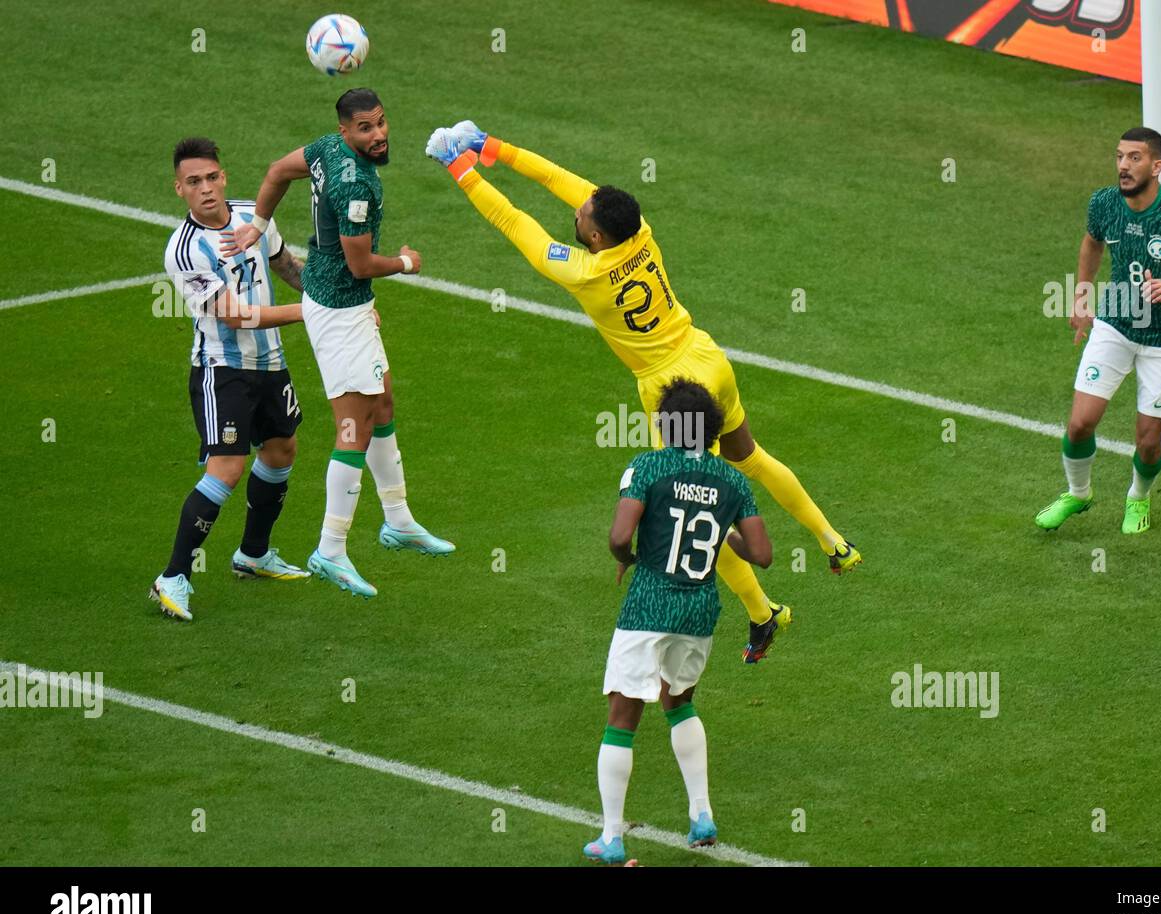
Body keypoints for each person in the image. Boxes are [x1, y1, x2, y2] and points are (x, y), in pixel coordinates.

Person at [427, 121, 860, 651]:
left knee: (692, 503)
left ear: (594, 236)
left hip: (672, 391)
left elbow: (514, 222)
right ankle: (832, 540)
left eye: (584, 216)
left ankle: (762, 610)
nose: (578, 210)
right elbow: (566, 182)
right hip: (707, 356)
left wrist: (460, 169)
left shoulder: (583, 272)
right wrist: (493, 148)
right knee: (752, 458)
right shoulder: (642, 232)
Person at [228, 89, 453, 599]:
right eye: (365, 129)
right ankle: (330, 550)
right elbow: (360, 264)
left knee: (384, 402)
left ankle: (397, 520)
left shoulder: (327, 148)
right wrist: (406, 263)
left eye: (380, 124)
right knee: (353, 427)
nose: (378, 136)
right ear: (347, 131)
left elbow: (276, 170)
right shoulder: (357, 186)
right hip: (340, 309)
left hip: (342, 302)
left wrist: (258, 226)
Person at [585, 379, 773, 864]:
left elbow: (618, 536)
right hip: (699, 608)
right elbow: (763, 554)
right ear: (710, 430)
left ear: (668, 425)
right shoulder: (733, 481)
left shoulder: (648, 465)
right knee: (678, 702)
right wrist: (722, 541)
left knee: (622, 718)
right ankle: (701, 815)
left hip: (649, 605)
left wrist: (626, 557)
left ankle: (611, 837)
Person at [153, 137, 312, 622]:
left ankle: (253, 554)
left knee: (282, 450)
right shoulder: (183, 253)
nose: (205, 189)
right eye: (193, 182)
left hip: (270, 364)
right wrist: (313, 311)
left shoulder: (252, 215)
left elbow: (285, 263)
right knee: (227, 467)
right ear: (179, 188)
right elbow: (233, 316)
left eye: (212, 178)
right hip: (222, 371)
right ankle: (174, 576)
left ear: (224, 177)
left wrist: (329, 294)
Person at [1036, 127, 1161, 535]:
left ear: (1157, 166)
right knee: (1080, 423)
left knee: (1149, 443)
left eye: (1134, 158)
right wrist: (1081, 299)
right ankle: (1078, 494)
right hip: (1115, 323)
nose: (1123, 166)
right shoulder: (1104, 203)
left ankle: (1138, 497)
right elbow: (1091, 243)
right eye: (1119, 156)